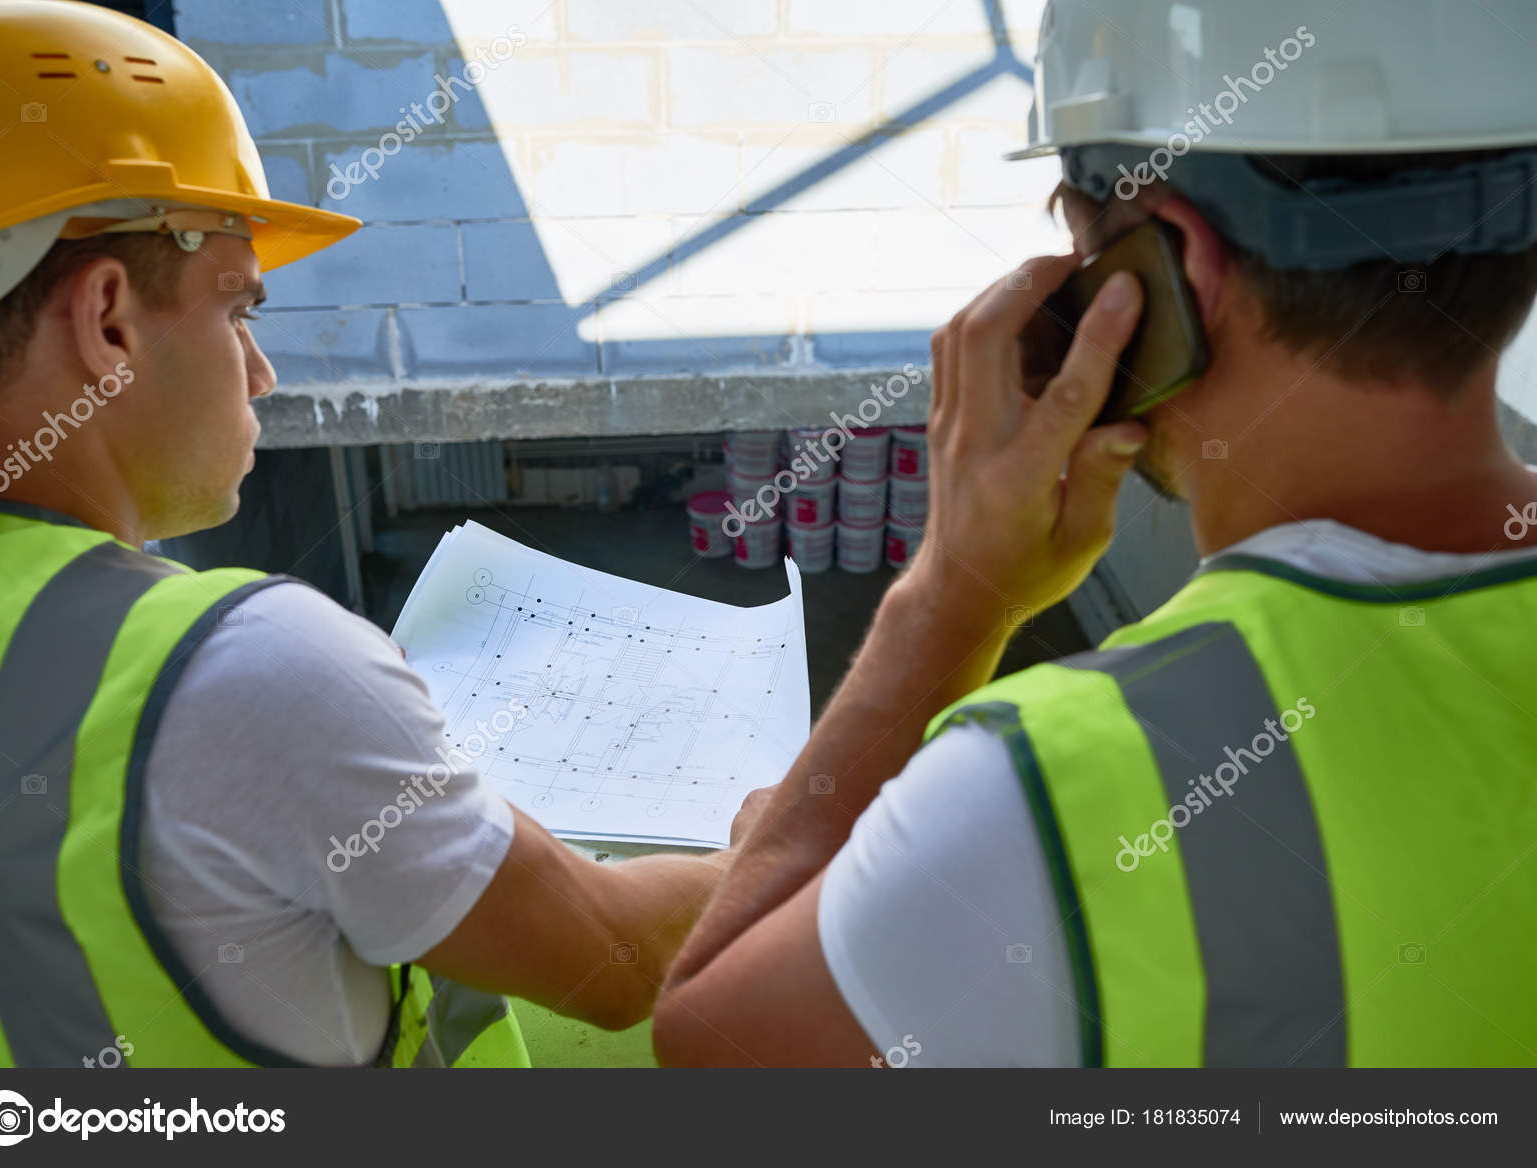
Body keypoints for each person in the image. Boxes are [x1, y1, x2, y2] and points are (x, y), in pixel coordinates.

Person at [654, 0, 1537, 1067]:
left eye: (1079, 244)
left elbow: (710, 1041)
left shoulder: (1048, 787)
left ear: (1173, 265)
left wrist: (952, 594)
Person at [0, 0, 759, 1068]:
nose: (262, 373)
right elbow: (613, 966)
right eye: (239, 309)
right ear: (107, 319)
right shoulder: (242, 669)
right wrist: (769, 843)